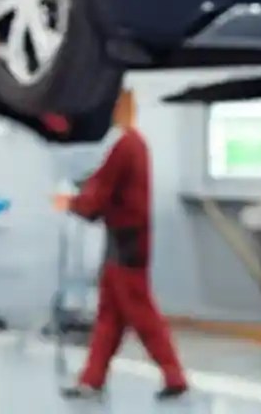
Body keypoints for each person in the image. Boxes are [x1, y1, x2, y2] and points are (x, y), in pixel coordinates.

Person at [55, 89, 188, 401]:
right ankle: (92, 380)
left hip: (125, 244)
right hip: (126, 241)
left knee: (141, 314)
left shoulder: (126, 145)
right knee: (109, 317)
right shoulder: (135, 145)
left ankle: (174, 376)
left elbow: (99, 194)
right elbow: (104, 185)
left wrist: (71, 202)